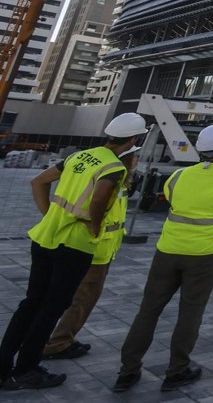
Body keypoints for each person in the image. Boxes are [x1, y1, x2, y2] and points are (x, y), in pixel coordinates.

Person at [1, 112, 146, 391]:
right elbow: (100, 199)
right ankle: (27, 369)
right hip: (73, 246)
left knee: (30, 303)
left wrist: (49, 215)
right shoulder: (113, 167)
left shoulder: (80, 156)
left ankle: (3, 365)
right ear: (133, 140)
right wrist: (95, 226)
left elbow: (38, 181)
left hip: (45, 237)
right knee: (51, 308)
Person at [113, 124, 213, 393]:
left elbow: (173, 201)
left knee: (148, 311)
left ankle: (127, 371)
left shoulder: (177, 177)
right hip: (205, 255)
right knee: (190, 313)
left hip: (168, 250)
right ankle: (177, 370)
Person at [42, 146, 141, 361]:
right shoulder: (112, 175)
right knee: (83, 297)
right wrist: (95, 227)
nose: (137, 159)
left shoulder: (108, 173)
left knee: (68, 295)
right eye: (136, 155)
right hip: (95, 246)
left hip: (90, 243)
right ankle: (58, 342)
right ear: (128, 156)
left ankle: (47, 338)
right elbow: (97, 203)